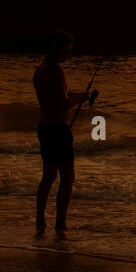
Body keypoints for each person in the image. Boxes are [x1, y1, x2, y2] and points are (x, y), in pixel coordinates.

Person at [33, 30, 90, 232]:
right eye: (67, 50)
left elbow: (55, 96)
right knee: (68, 177)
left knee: (48, 176)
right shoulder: (55, 71)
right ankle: (60, 223)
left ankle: (40, 220)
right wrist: (77, 100)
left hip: (45, 128)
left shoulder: (41, 69)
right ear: (57, 48)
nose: (69, 54)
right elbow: (61, 104)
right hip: (58, 130)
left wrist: (75, 95)